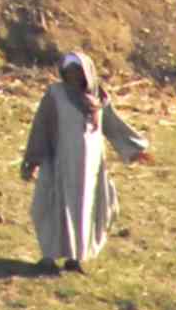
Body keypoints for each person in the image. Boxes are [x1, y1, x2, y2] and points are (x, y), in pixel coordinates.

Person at [20, 52, 151, 270]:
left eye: (77, 73)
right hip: (60, 162)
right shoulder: (55, 95)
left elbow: (113, 125)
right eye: (68, 73)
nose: (72, 77)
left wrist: (134, 149)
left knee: (85, 209)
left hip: (89, 168)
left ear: (86, 74)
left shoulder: (98, 98)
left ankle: (75, 258)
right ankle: (49, 257)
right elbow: (41, 125)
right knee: (53, 205)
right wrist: (33, 158)